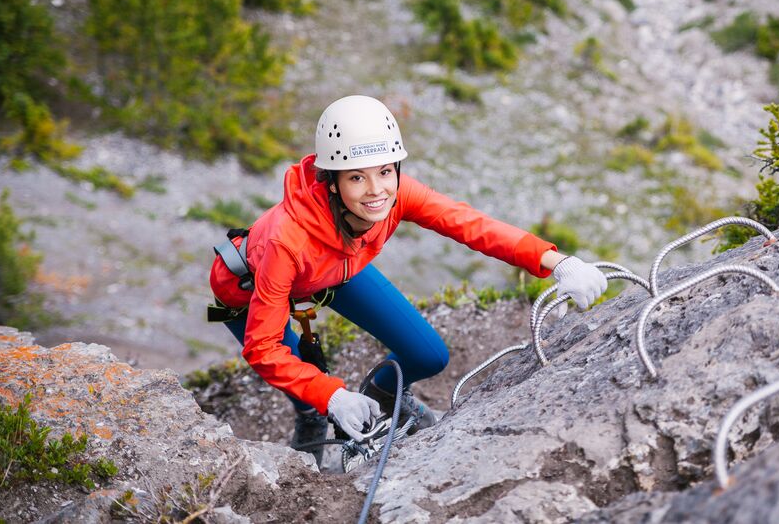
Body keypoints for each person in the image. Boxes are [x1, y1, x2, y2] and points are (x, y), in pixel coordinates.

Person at [208, 95, 608, 463]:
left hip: (331, 269)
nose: (376, 191)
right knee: (303, 380)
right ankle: (311, 420)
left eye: (385, 171)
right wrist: (331, 397)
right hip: (246, 292)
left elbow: (469, 224)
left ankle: (379, 396)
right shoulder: (286, 241)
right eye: (356, 177)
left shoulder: (398, 195)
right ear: (331, 180)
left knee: (427, 355)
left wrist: (555, 261)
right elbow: (263, 348)